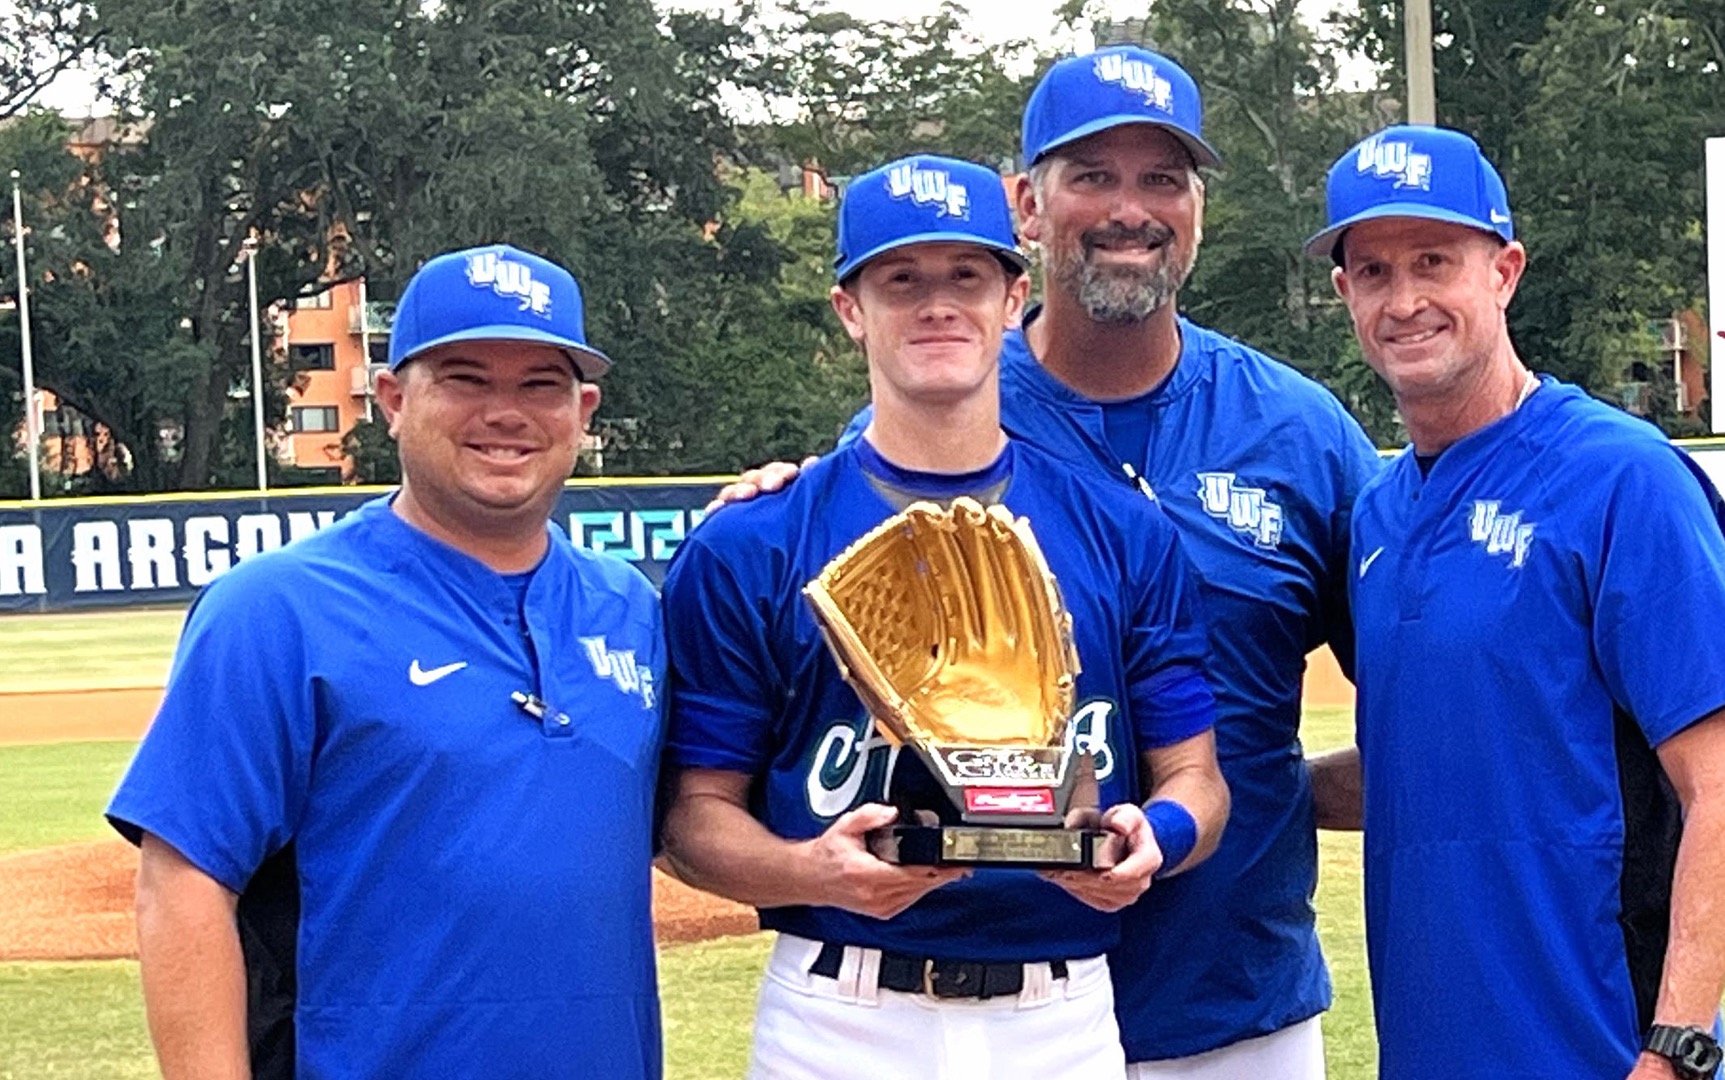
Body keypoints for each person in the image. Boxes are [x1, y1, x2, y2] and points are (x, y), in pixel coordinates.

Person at [709, 46, 1382, 1078]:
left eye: (1163, 178)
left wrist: (1266, 791)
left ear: (1197, 205)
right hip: (969, 1001)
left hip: (1235, 999)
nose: (1130, 208)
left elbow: (1413, 689)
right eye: (1091, 176)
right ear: (1027, 205)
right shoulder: (920, 421)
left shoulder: (1301, 434)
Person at [658, 153, 1231, 1080]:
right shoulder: (753, 542)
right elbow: (693, 819)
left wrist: (1149, 842)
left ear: (1013, 299)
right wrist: (815, 872)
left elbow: (1198, 781)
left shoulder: (1124, 531)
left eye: (965, 275)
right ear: (851, 311)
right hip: (836, 1015)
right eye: (900, 280)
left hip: (1062, 1015)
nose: (936, 305)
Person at [105, 243, 668, 1080]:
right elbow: (183, 884)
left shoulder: (630, 608)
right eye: (466, 378)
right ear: (394, 400)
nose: (505, 412)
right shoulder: (277, 608)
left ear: (584, 410)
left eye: (539, 384)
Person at [1306, 125, 1725, 1080]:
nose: (1406, 300)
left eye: (1435, 261)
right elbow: (1436, 761)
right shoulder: (1381, 514)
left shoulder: (1622, 479)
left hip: (1596, 1047)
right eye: (1375, 270)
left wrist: (1677, 1051)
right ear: (1346, 292)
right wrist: (1225, 792)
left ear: (1504, 272)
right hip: (1430, 1047)